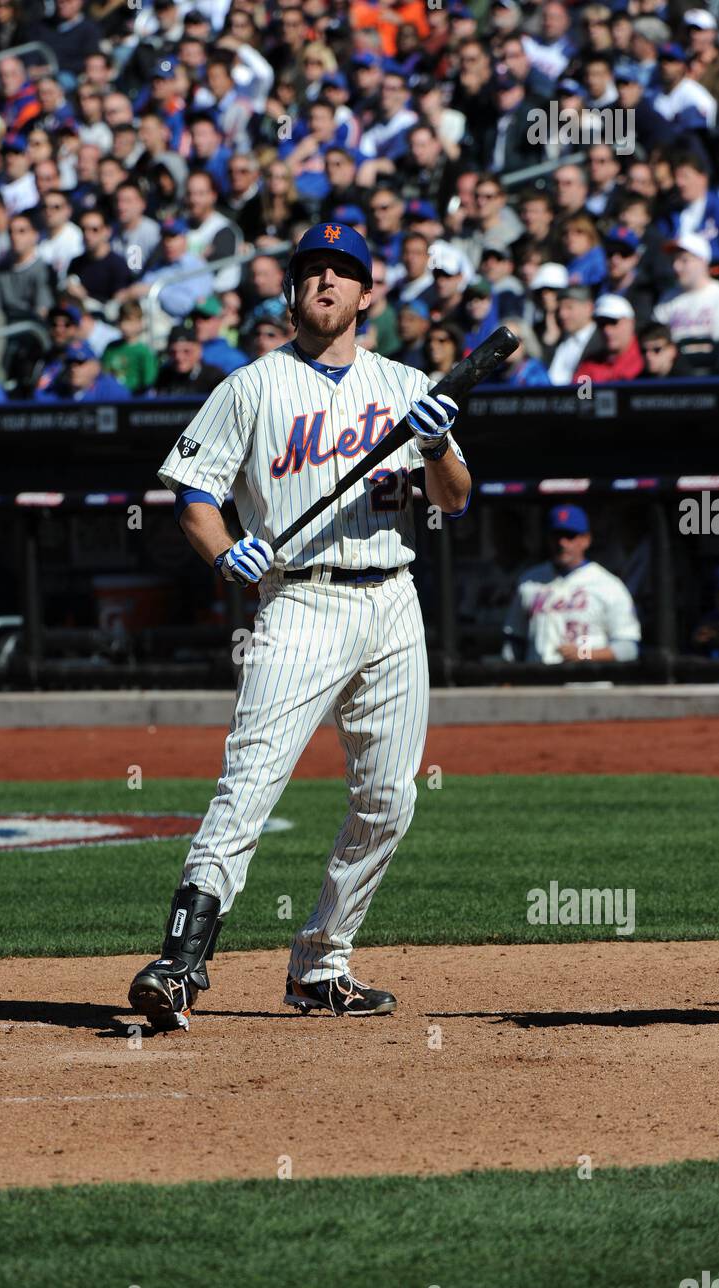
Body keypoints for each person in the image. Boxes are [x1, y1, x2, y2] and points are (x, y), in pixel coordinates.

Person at [125, 220, 471, 1032]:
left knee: (388, 798)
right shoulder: (249, 386)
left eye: (341, 272)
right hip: (299, 601)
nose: (325, 283)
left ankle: (321, 965)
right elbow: (195, 496)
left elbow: (452, 499)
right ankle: (180, 961)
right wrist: (222, 553)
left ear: (365, 293)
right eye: (311, 271)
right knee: (250, 780)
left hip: (392, 597)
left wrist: (440, 442)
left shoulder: (406, 383)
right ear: (291, 292)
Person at [503, 506, 641, 665]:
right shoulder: (529, 581)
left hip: (588, 685)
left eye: (570, 536)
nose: (562, 543)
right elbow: (514, 641)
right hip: (540, 683)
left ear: (586, 539)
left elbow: (629, 648)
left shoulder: (608, 585)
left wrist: (585, 653)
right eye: (556, 536)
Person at [34, 339, 131, 403]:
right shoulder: (54, 390)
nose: (74, 368)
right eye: (70, 362)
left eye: (80, 363)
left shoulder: (111, 391)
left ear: (96, 366)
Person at [578, 294, 645, 382]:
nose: (607, 330)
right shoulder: (589, 364)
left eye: (613, 322)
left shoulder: (648, 356)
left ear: (631, 323)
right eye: (601, 324)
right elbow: (581, 395)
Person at [151, 323, 227, 396]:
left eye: (186, 351)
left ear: (199, 350)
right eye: (173, 352)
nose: (179, 357)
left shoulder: (215, 378)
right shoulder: (163, 377)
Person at [101, 300, 159, 393]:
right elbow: (104, 372)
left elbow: (148, 381)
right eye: (122, 320)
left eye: (130, 321)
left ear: (140, 323)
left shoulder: (144, 352)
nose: (124, 326)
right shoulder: (111, 347)